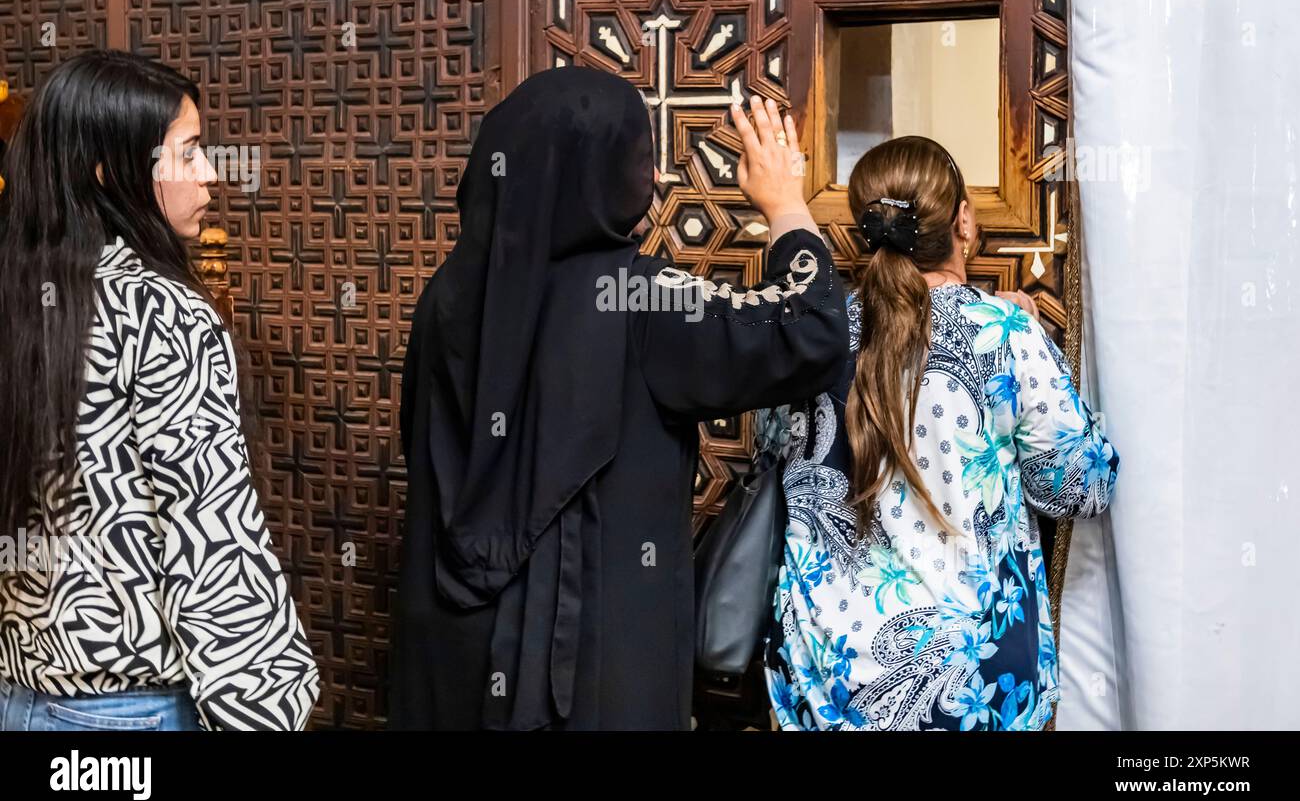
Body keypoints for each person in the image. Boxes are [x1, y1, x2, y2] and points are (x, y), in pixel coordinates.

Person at [393, 66, 848, 729]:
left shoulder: (446, 299)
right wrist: (784, 206)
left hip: (454, 657)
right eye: (638, 162)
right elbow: (807, 330)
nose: (657, 181)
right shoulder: (639, 301)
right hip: (588, 675)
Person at [0, 50, 320, 731]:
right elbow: (211, 531)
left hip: (20, 697)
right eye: (187, 152)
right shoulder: (162, 311)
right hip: (132, 712)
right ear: (107, 169)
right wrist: (264, 710)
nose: (208, 175)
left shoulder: (20, 301)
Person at [764, 136, 1119, 731]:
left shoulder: (810, 340)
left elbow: (776, 452)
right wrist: (1035, 348)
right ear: (964, 222)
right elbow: (1080, 487)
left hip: (824, 684)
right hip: (978, 687)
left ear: (863, 232)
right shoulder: (1004, 334)